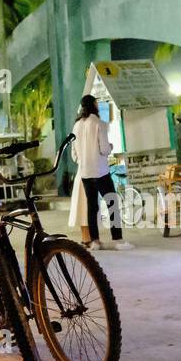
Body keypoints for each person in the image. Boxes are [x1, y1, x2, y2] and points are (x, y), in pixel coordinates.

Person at [72, 94, 131, 250]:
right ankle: (118, 240)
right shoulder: (99, 124)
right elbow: (104, 149)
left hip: (85, 173)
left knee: (92, 207)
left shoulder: (76, 126)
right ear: (93, 105)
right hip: (100, 172)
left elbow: (74, 155)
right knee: (112, 203)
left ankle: (95, 241)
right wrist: (110, 147)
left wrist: (84, 160)